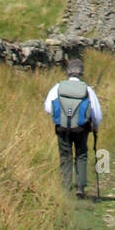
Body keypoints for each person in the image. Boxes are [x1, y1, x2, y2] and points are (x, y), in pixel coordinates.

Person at [44, 58, 103, 199]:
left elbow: (47, 108)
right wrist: (95, 127)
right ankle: (80, 187)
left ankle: (65, 187)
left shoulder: (58, 87)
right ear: (81, 72)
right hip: (81, 128)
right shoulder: (87, 89)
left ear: (68, 72)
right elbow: (97, 114)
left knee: (65, 156)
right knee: (81, 155)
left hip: (63, 128)